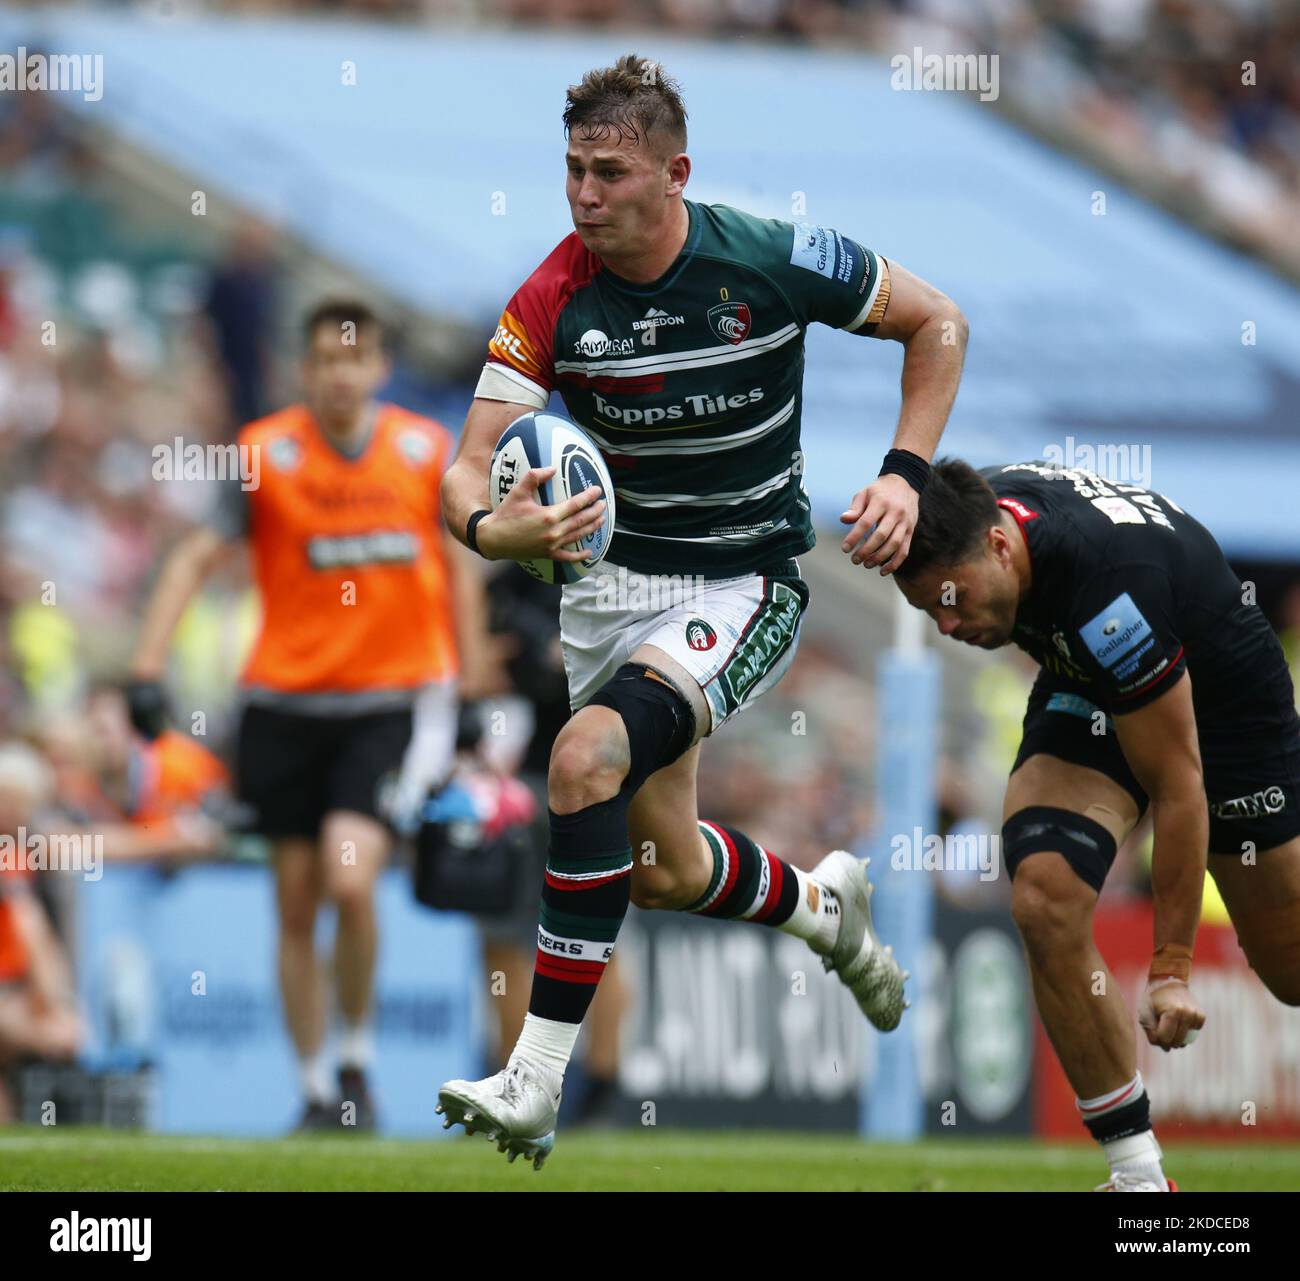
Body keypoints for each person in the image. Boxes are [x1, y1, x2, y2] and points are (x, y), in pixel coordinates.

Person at [437, 54, 967, 1167]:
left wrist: (905, 474)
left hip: (741, 581)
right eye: (573, 170)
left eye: (610, 172)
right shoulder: (553, 294)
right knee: (668, 870)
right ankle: (821, 908)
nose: (584, 194)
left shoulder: (771, 260)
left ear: (676, 172)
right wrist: (498, 532)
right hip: (606, 595)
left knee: (582, 760)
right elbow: (463, 466)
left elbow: (938, 322)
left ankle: (534, 1079)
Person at [894, 458, 1300, 1191]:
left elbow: (1178, 785)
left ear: (999, 546)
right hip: (1094, 673)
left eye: (952, 602)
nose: (947, 625)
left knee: (1291, 970)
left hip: (1224, 700)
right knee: (1044, 894)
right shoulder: (971, 514)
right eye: (930, 612)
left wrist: (1170, 969)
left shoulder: (1104, 586)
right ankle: (1139, 1180)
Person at [129, 300, 486, 1132]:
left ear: (381, 367)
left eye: (354, 358)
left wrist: (470, 690)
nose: (339, 373)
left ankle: (358, 1057)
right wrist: (147, 666)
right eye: (324, 358)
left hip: (386, 705)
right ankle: (318, 1088)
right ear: (305, 366)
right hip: (282, 705)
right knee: (294, 902)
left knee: (352, 877)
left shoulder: (423, 452)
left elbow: (463, 570)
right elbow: (194, 557)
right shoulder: (264, 452)